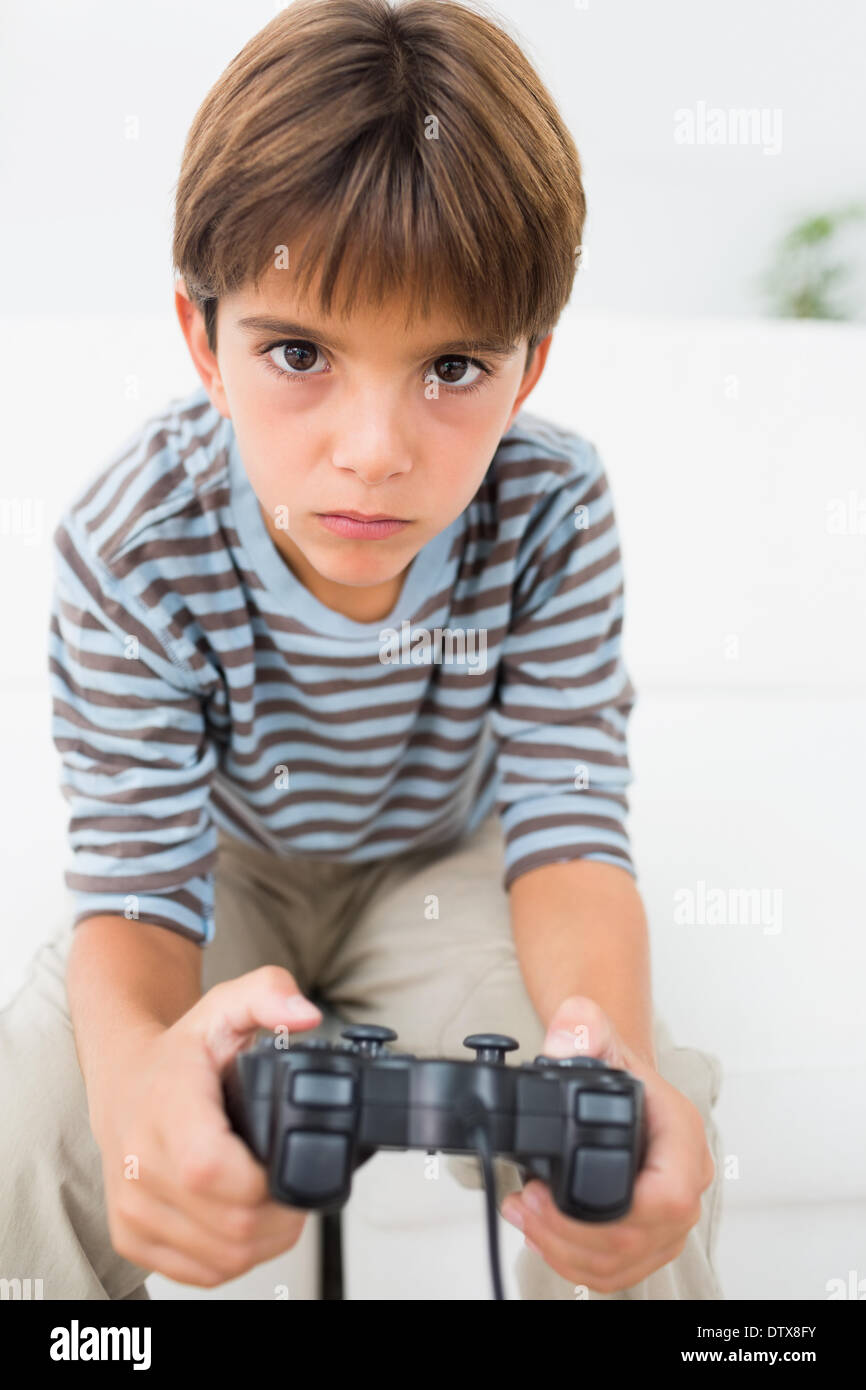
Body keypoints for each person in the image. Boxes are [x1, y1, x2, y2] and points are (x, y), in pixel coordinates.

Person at [0, 0, 724, 1300]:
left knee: (619, 1111)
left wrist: (604, 1048)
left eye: (451, 365)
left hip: (445, 869)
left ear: (529, 365)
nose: (375, 449)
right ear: (201, 342)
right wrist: (131, 1099)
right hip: (224, 875)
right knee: (50, 1091)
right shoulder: (132, 538)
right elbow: (138, 886)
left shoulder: (551, 504)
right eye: (297, 352)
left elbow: (564, 824)